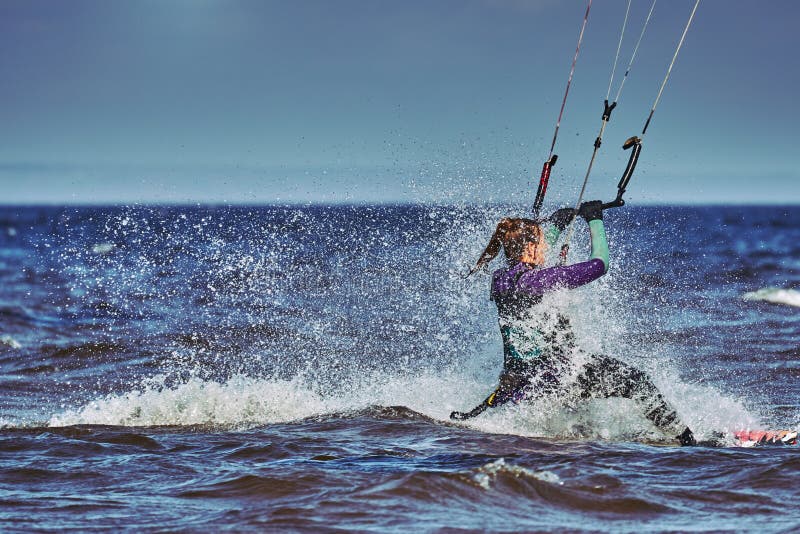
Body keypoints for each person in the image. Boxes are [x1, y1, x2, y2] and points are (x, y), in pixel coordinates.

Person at [451, 201, 696, 446]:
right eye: (542, 241)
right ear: (530, 247)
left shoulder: (500, 280)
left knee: (579, 414)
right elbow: (600, 265)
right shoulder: (541, 280)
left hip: (523, 381)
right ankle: (687, 441)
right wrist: (595, 220)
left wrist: (558, 224)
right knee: (636, 382)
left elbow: (530, 260)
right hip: (559, 376)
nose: (547, 245)